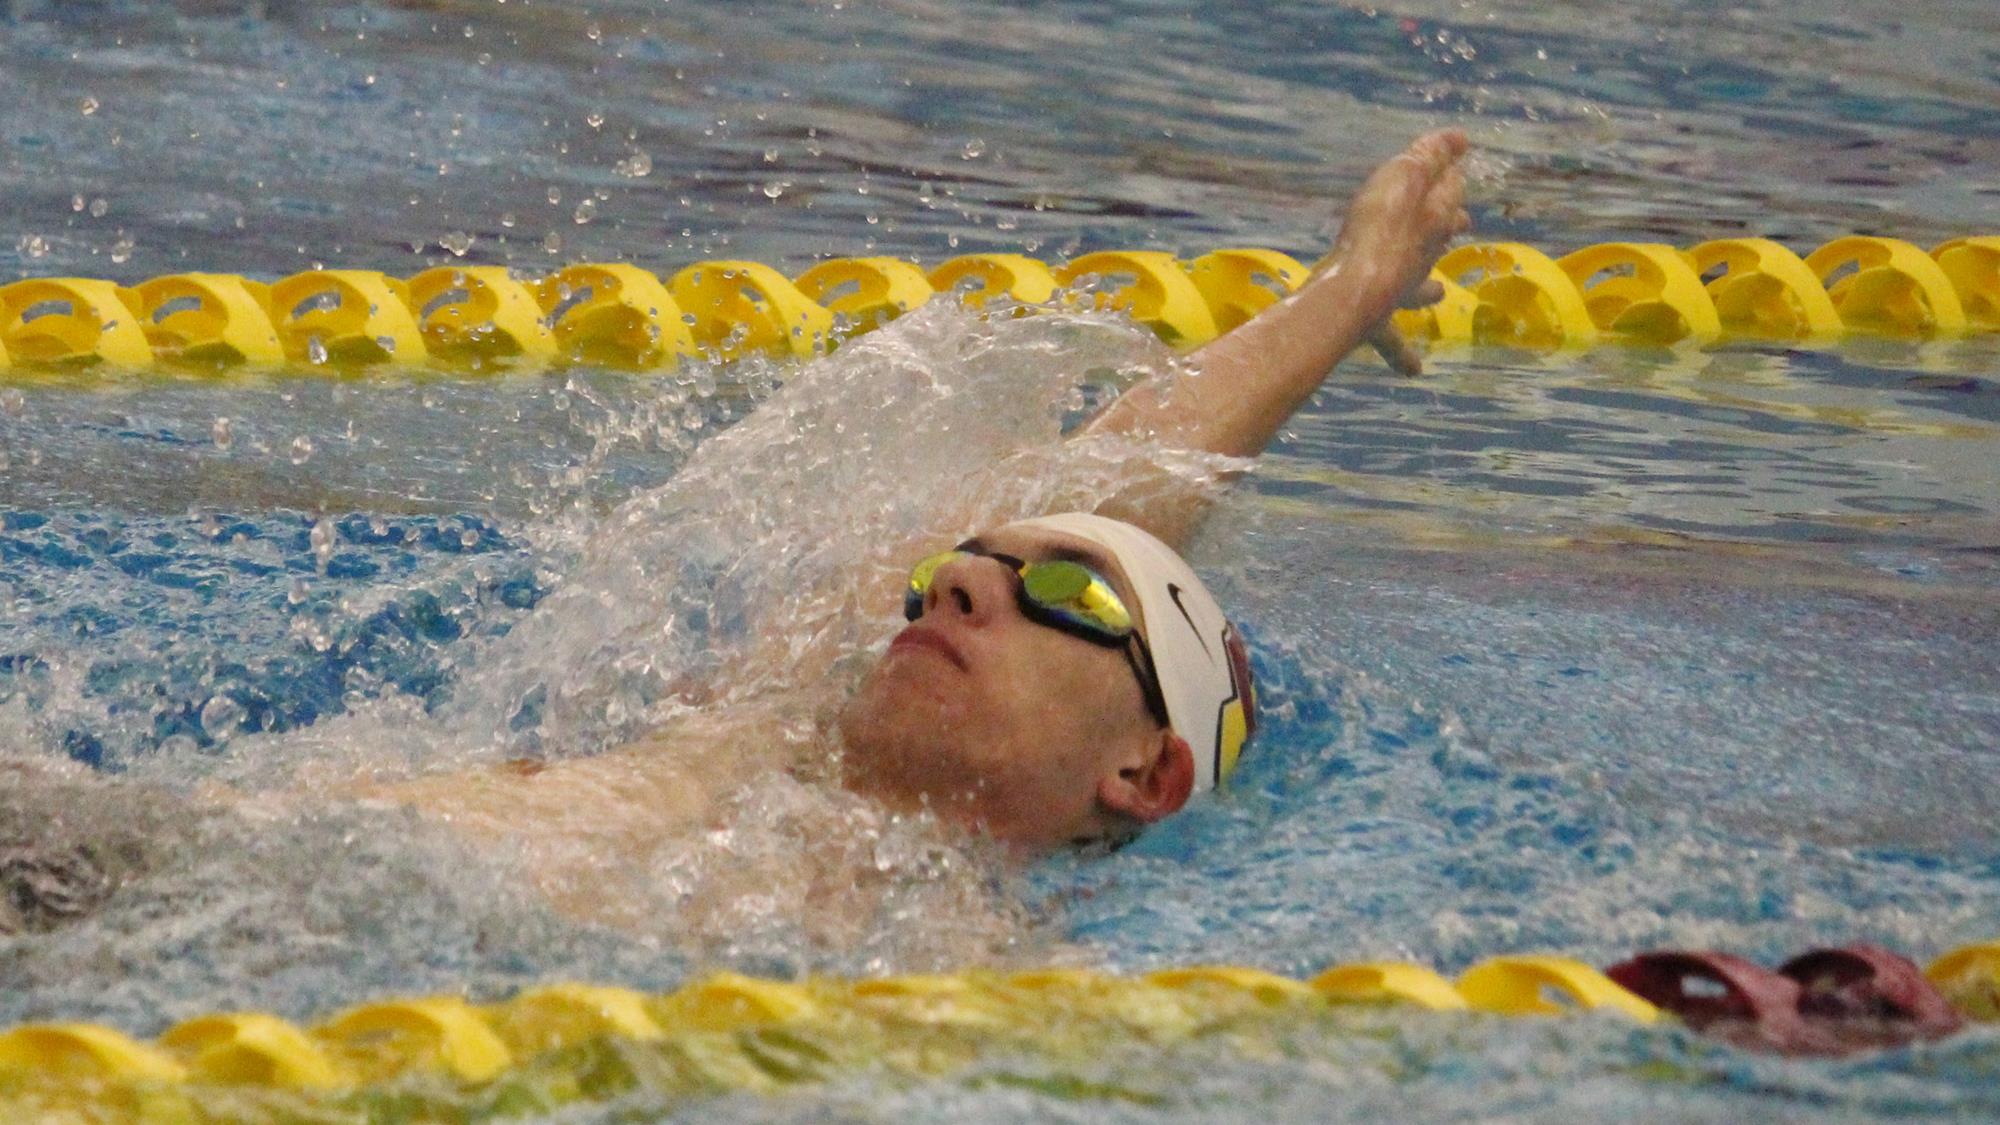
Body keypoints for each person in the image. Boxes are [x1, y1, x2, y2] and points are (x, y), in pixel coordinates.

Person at [338, 129, 1472, 914]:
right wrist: (1351, 283)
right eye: (949, 568)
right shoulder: (767, 720)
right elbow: (1125, 467)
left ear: (1144, 773)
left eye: (1067, 592)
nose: (956, 584)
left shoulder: (961, 976)